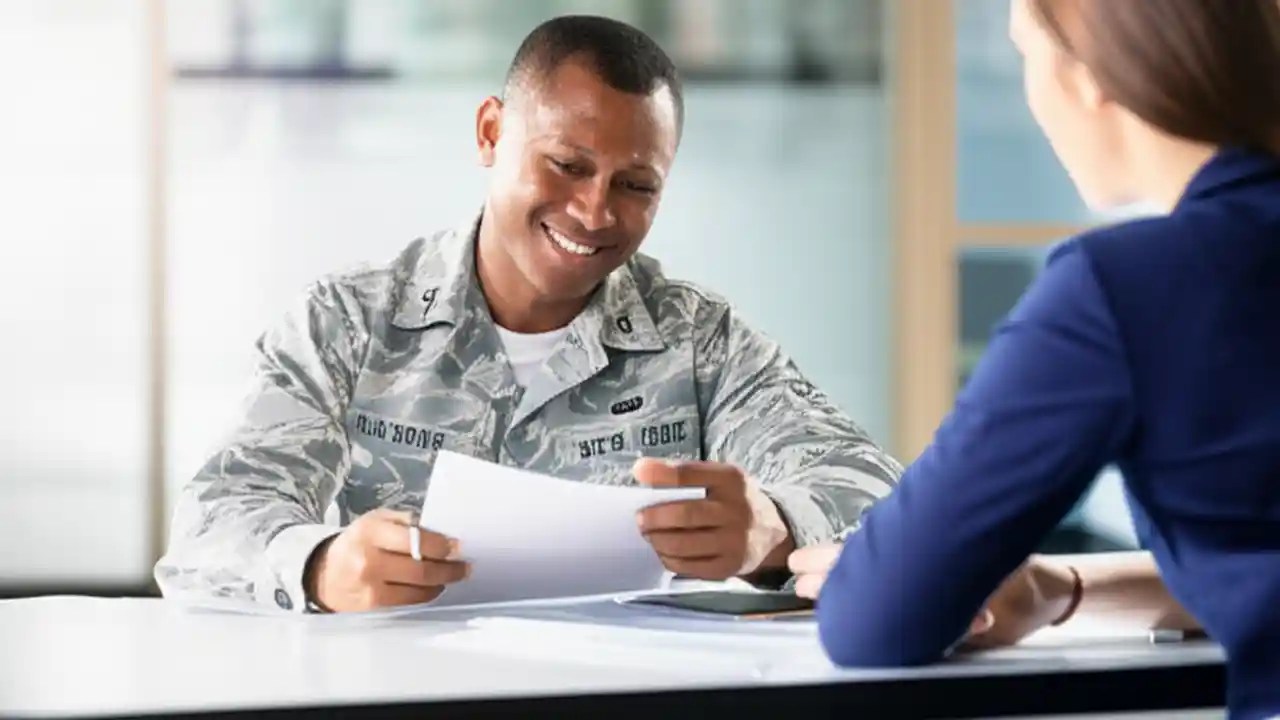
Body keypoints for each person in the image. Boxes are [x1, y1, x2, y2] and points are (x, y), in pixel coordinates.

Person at [154, 15, 901, 615]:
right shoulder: (345, 323)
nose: (595, 210)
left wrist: (774, 530)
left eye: (636, 184)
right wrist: (320, 565)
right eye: (567, 165)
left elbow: (883, 494)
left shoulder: (700, 341)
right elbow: (210, 528)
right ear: (489, 134)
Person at [790, 0, 1280, 716]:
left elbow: (878, 615)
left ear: (1088, 74)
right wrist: (1064, 591)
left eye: (1027, 52)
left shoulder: (1126, 286)